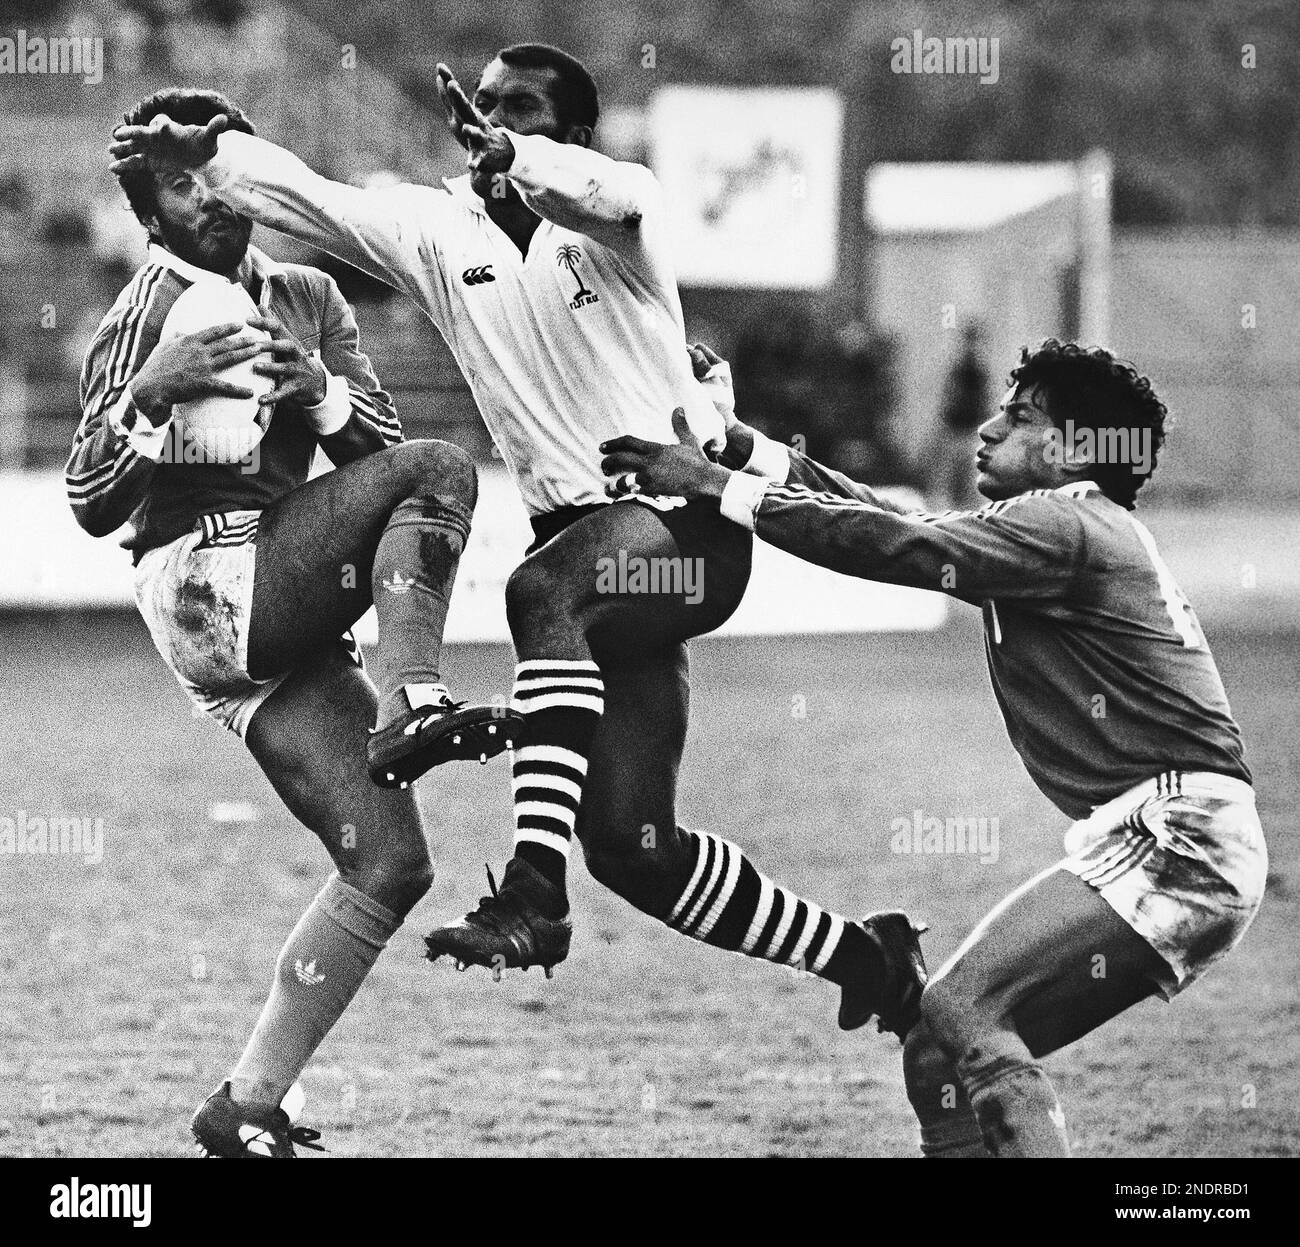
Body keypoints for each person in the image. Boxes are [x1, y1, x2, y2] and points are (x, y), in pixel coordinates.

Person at [108, 48, 927, 1037]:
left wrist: (524, 157)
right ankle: (866, 954)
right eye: (483, 106)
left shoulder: (619, 218)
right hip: (591, 558)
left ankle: (533, 893)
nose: (486, 123)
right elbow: (316, 199)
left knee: (541, 593)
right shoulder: (438, 231)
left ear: (573, 132)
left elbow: (607, 188)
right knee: (635, 844)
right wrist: (220, 152)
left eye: (522, 111)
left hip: (684, 529)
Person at [603, 339, 1266, 1158]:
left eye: (1017, 416)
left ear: (1073, 450)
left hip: (1181, 835)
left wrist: (718, 487)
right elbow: (894, 522)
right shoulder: (1059, 526)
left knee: (962, 1007)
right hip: (1180, 833)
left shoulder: (1067, 524)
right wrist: (744, 448)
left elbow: (899, 549)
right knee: (937, 1050)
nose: (985, 430)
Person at [73, 88, 515, 1156]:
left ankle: (246, 1103)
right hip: (201, 579)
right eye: (179, 186)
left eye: (217, 172)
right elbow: (91, 499)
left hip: (267, 626)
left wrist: (315, 391)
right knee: (447, 467)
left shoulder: (308, 296)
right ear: (150, 217)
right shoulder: (142, 311)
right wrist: (150, 390)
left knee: (389, 862)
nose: (207, 199)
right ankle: (415, 698)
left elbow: (376, 458)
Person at [933, 321, 990, 509]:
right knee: (948, 480)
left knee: (970, 482)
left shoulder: (980, 371)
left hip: (971, 430)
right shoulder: (958, 369)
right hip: (955, 429)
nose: (972, 346)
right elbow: (949, 398)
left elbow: (983, 401)